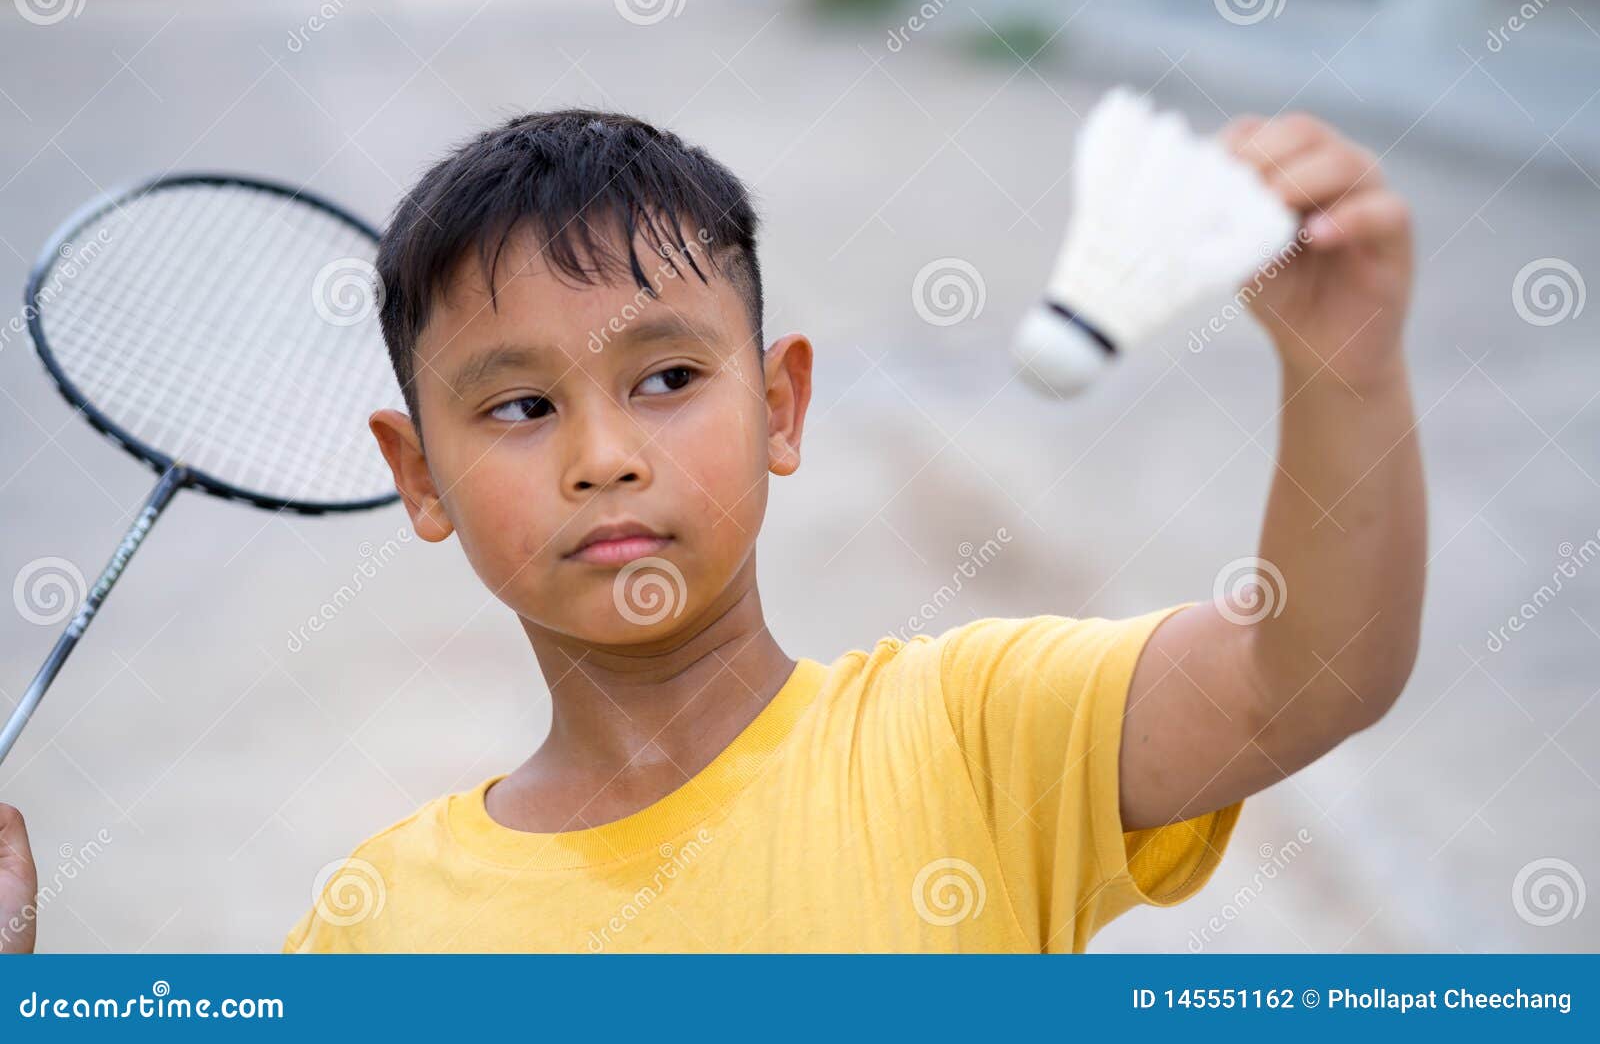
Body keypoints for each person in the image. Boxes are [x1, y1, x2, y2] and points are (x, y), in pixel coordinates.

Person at [0, 107, 1422, 953]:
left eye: (668, 379)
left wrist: (1344, 371)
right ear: (418, 476)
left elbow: (1310, 672)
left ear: (781, 405)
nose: (605, 456)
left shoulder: (977, 736)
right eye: (519, 406)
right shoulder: (377, 925)